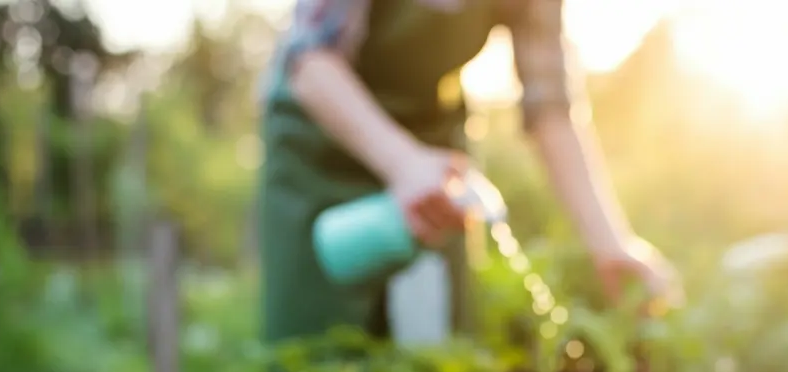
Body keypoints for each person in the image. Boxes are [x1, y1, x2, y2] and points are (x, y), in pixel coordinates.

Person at [260, 0, 679, 345]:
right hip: (320, 151)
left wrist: (611, 243)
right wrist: (404, 163)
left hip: (435, 151)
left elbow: (550, 106)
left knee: (440, 350)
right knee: (313, 355)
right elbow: (312, 61)